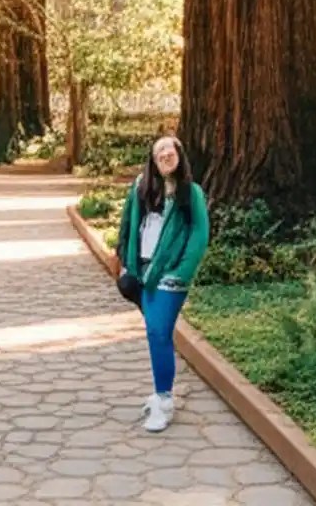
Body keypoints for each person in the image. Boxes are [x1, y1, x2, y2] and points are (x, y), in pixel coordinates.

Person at [114, 135, 210, 433]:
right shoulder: (142, 187)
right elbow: (128, 225)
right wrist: (124, 259)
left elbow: (199, 234)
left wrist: (182, 271)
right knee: (157, 334)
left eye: (170, 150)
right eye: (159, 152)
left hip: (170, 276)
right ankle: (160, 391)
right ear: (153, 160)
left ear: (179, 155)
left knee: (158, 332)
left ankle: (164, 401)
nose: (166, 155)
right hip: (142, 271)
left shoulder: (190, 193)